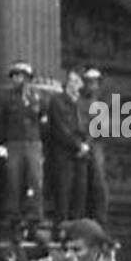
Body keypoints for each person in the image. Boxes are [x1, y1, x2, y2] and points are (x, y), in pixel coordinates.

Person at [0, 61, 48, 239]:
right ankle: (14, 220)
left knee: (34, 182)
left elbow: (44, 121)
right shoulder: (6, 98)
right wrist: (1, 144)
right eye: (16, 76)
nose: (19, 79)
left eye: (23, 76)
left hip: (33, 143)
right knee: (14, 182)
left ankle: (34, 220)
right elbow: (1, 122)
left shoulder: (37, 97)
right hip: (14, 143)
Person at [46, 68, 91, 225]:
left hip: (82, 155)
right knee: (63, 193)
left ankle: (77, 229)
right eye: (73, 81)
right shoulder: (57, 101)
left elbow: (90, 126)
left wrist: (86, 145)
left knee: (80, 194)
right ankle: (62, 228)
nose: (76, 84)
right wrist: (77, 145)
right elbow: (60, 128)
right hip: (64, 154)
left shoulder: (83, 103)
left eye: (78, 81)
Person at [80, 68, 110, 226]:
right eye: (89, 82)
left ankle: (100, 218)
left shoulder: (101, 104)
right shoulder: (80, 103)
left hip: (94, 145)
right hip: (79, 145)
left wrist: (88, 141)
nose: (92, 85)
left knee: (98, 181)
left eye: (95, 82)